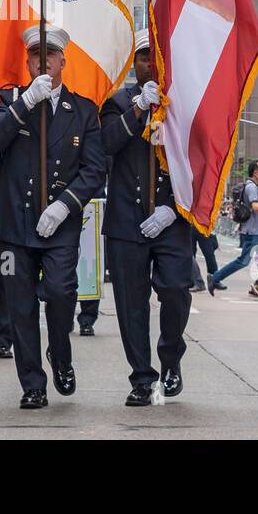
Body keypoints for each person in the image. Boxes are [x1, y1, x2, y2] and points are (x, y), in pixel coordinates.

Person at [0, 24, 107, 410]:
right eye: (36, 55)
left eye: (49, 55)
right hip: (15, 226)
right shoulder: (8, 100)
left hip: (59, 225)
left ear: (62, 61)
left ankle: (60, 351)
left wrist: (63, 205)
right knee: (18, 306)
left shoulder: (83, 111)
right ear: (27, 61)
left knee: (59, 292)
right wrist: (25, 104)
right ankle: (32, 383)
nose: (43, 62)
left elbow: (93, 169)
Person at [99, 29, 195, 407]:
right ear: (133, 63)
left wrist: (172, 207)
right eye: (142, 57)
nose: (148, 64)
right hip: (126, 221)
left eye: (154, 57)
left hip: (170, 219)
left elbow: (196, 160)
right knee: (130, 304)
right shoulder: (116, 102)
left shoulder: (182, 105)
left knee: (175, 289)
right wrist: (137, 108)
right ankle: (142, 377)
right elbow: (106, 143)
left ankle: (170, 359)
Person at [209, 160, 258, 300]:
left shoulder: (253, 186)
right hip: (252, 231)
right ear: (256, 173)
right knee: (243, 261)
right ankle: (215, 278)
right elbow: (255, 207)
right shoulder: (251, 187)